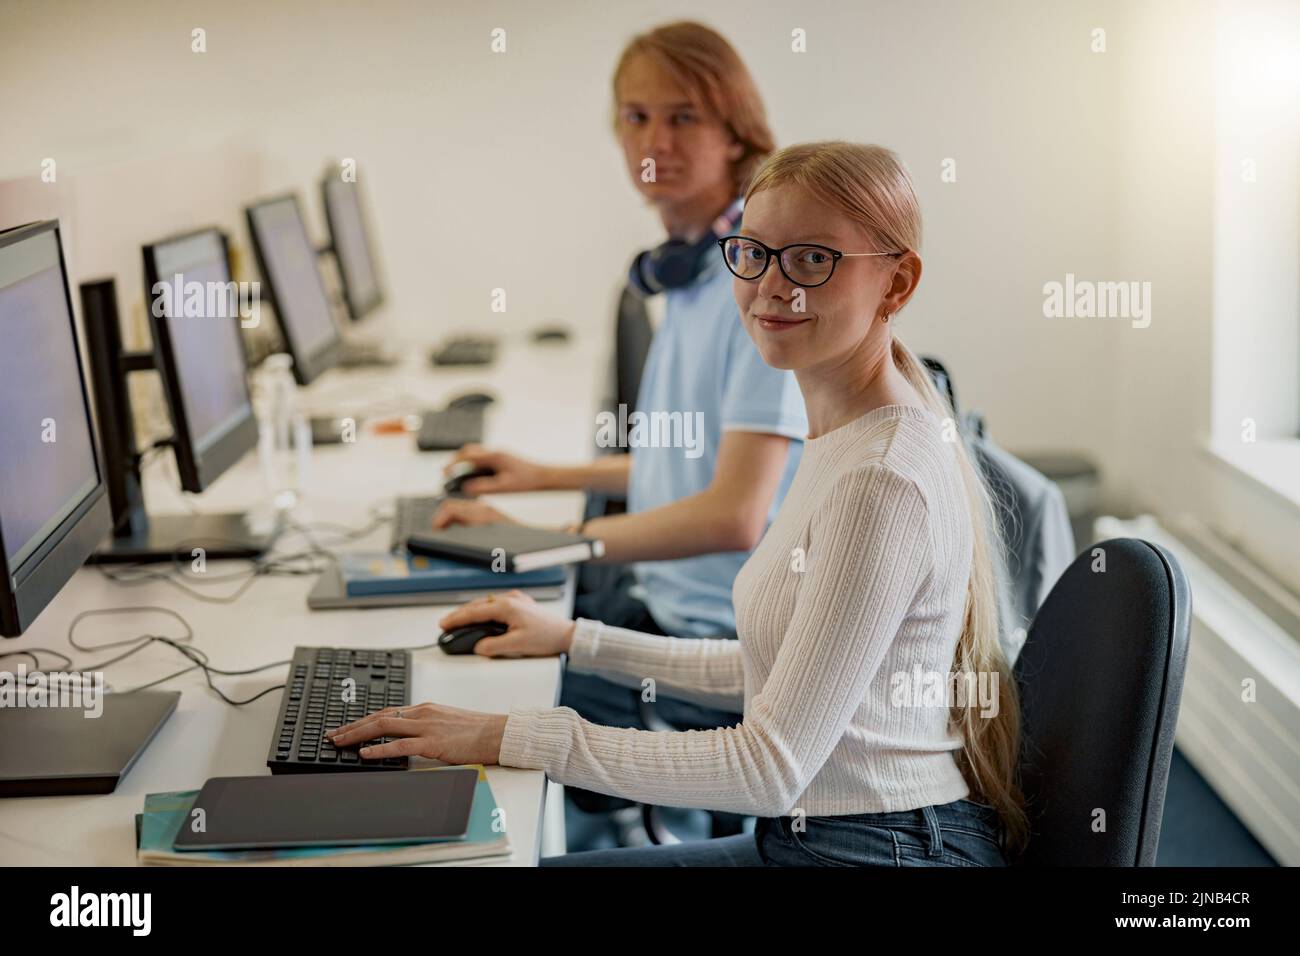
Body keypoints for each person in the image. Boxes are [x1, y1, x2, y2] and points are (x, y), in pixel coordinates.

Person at [327, 141, 1029, 866]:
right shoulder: (848, 428)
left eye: (813, 260)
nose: (770, 287)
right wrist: (575, 639)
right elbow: (772, 672)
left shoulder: (878, 479)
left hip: (877, 849)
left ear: (897, 283)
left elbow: (769, 765)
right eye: (752, 253)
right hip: (836, 831)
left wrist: (509, 735)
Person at [431, 22, 807, 740]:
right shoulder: (691, 275)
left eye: (683, 117)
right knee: (470, 626)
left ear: (735, 134)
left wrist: (555, 538)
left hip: (713, 649)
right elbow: (686, 465)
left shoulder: (756, 288)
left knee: (475, 682)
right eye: (637, 118)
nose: (654, 143)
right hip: (658, 601)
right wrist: (540, 475)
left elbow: (734, 514)